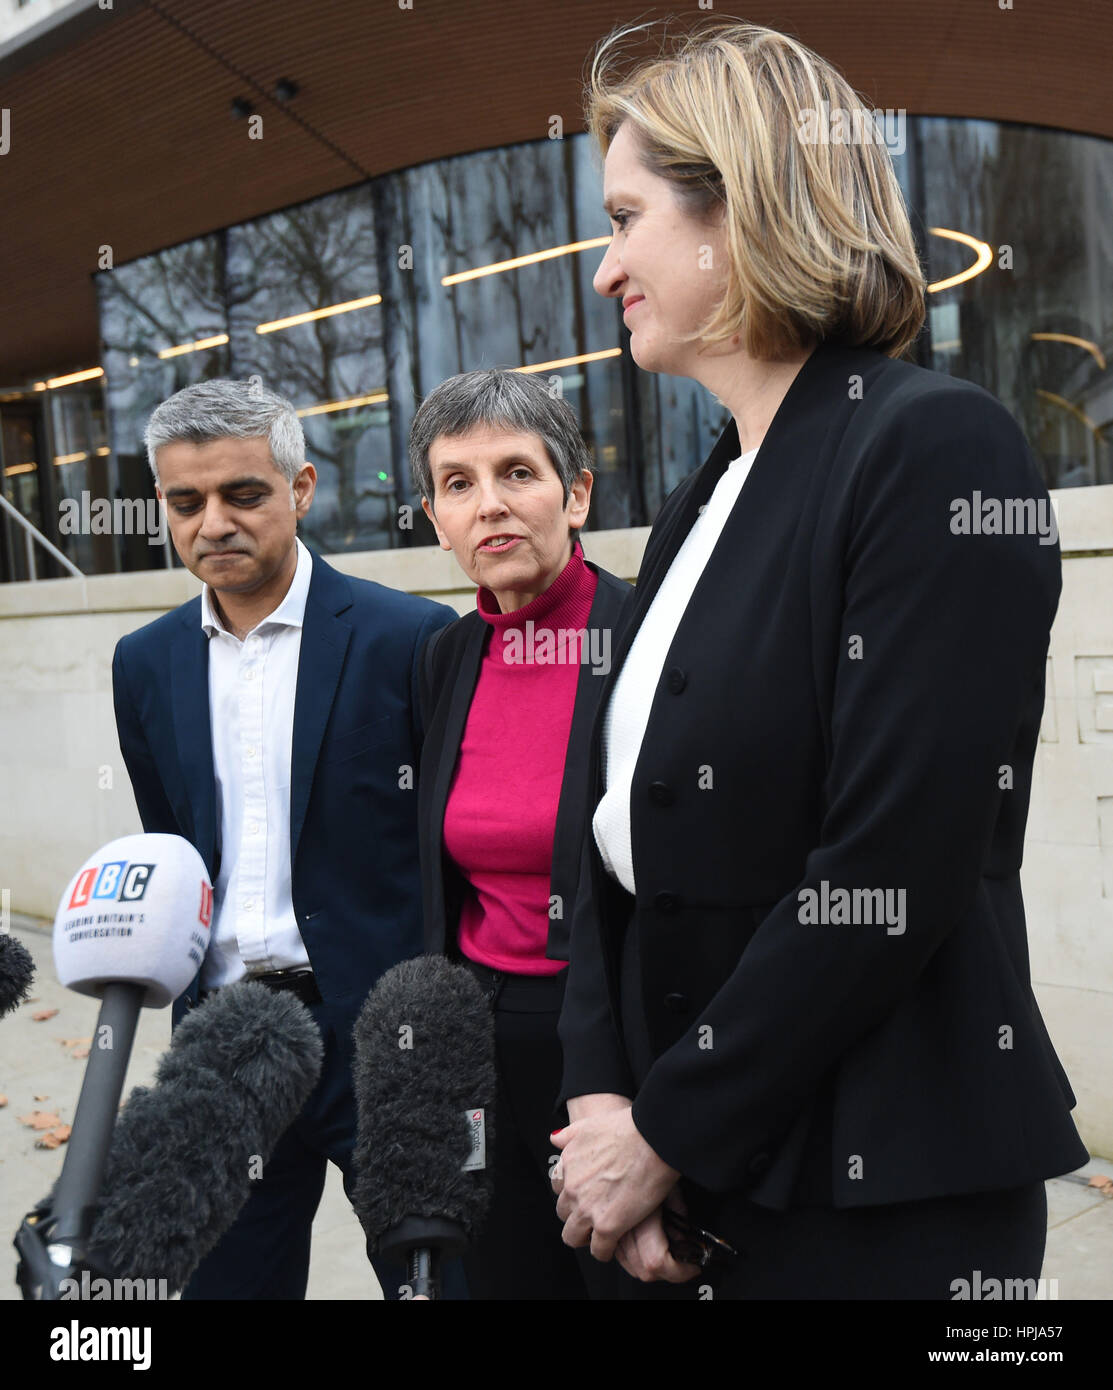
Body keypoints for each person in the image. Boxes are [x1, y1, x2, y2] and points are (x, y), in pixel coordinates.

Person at [551, 19, 1089, 1300]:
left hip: (877, 1209)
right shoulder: (702, 497)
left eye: (624, 218)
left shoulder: (931, 448)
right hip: (686, 1191)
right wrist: (604, 1110)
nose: (603, 266)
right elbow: (613, 839)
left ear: (733, 206)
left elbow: (895, 862)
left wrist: (667, 1131)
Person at [111, 377, 458, 1299]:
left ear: (300, 490)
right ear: (164, 509)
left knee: (439, 1285)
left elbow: (449, 849)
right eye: (187, 502)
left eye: (243, 494)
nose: (213, 522)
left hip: (389, 1037)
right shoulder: (142, 664)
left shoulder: (412, 638)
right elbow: (175, 849)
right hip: (225, 1041)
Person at [412, 368, 633, 1298]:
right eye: (458, 484)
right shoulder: (446, 655)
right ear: (434, 518)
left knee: (620, 1276)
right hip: (478, 1036)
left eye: (518, 473)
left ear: (576, 492)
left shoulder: (647, 634)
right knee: (504, 1276)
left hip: (612, 1040)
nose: (489, 505)